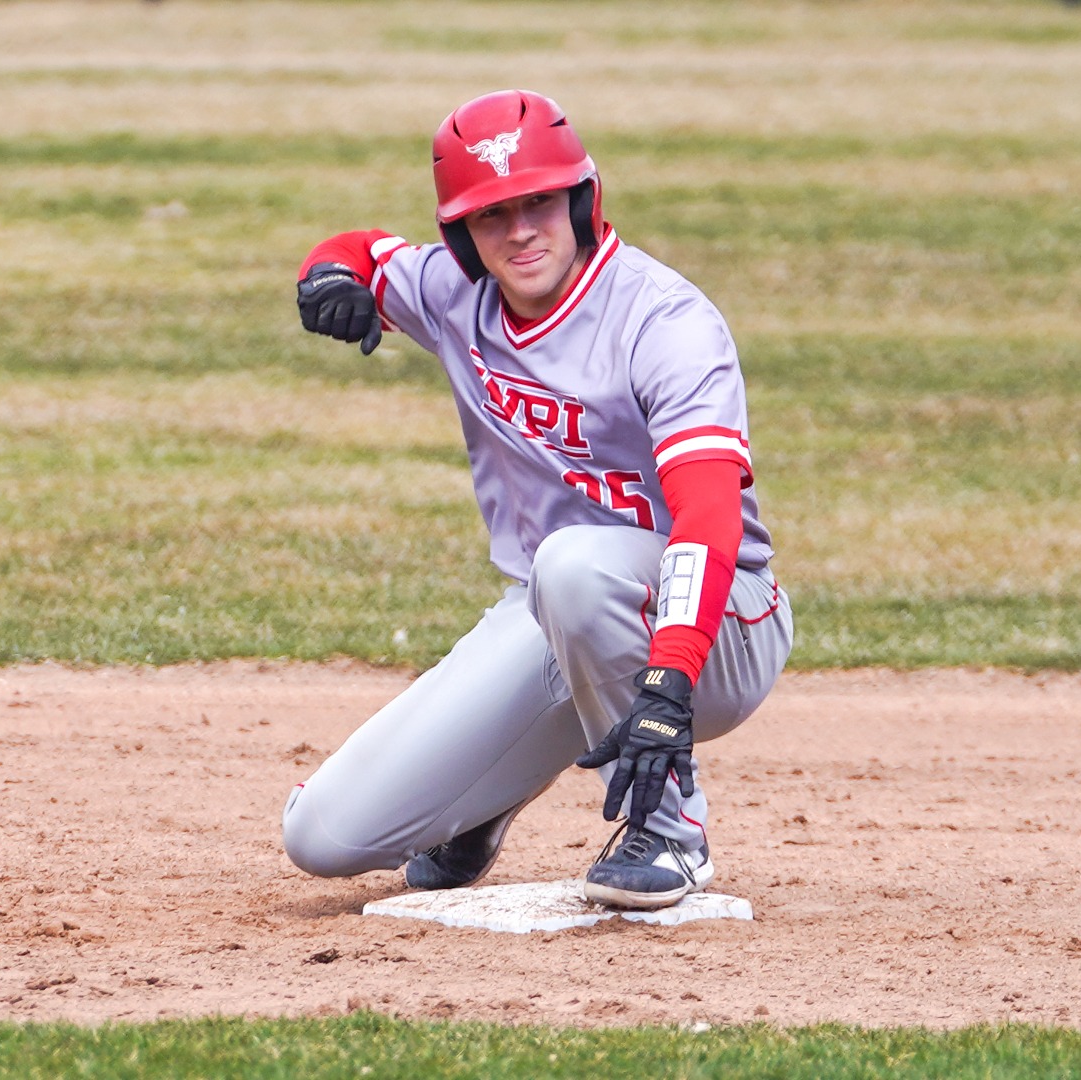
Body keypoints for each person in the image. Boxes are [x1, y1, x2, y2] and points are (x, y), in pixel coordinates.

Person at [281, 89, 792, 910]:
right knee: (323, 836)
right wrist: (328, 275)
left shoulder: (664, 321)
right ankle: (484, 799)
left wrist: (670, 679)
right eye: (491, 215)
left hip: (720, 625)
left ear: (582, 201)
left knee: (574, 565)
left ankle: (670, 831)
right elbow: (363, 253)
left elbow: (708, 517)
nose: (519, 231)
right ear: (461, 234)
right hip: (553, 613)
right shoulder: (455, 293)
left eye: (539, 203)